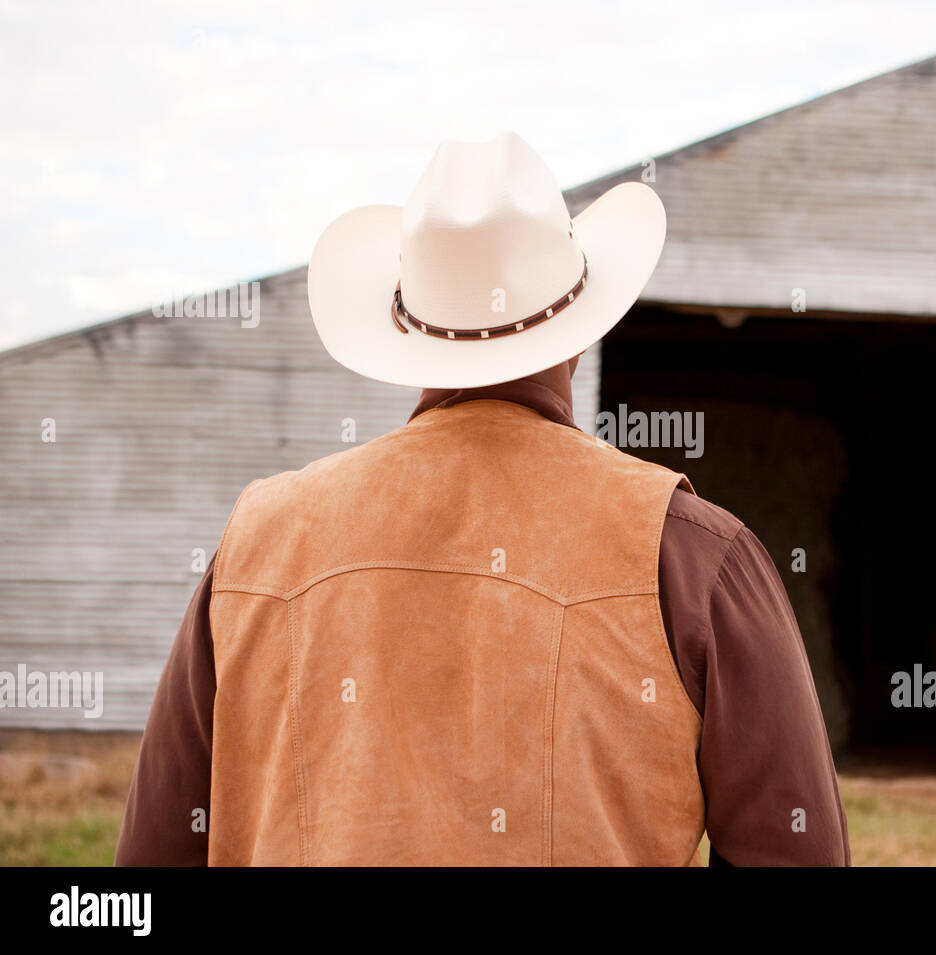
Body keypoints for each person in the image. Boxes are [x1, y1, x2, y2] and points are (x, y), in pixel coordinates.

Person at [116, 132, 849, 866]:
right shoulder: (692, 554)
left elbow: (151, 859)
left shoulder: (259, 542)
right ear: (579, 334)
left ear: (406, 331)